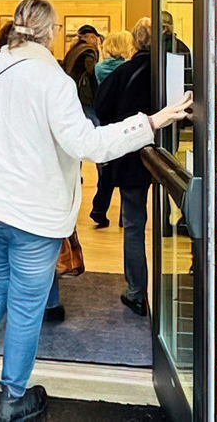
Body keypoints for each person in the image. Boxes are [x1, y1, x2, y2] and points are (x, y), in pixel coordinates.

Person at [0, 0, 192, 421]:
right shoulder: (54, 81)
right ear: (50, 32)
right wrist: (151, 122)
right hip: (31, 214)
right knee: (26, 305)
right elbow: (89, 145)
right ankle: (13, 397)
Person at [93, 17, 159, 318]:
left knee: (134, 225)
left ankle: (136, 292)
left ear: (135, 41)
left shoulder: (125, 71)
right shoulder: (168, 69)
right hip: (168, 156)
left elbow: (102, 107)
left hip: (133, 157)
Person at [90, 30, 136, 228]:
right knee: (126, 170)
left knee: (106, 171)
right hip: (125, 120)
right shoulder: (127, 69)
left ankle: (99, 208)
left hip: (105, 121)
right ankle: (124, 215)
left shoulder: (99, 69)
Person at [62, 24, 103, 123]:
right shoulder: (89, 50)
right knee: (93, 121)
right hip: (85, 92)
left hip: (73, 89)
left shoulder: (75, 49)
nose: (96, 41)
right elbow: (91, 70)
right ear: (87, 37)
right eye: (94, 37)